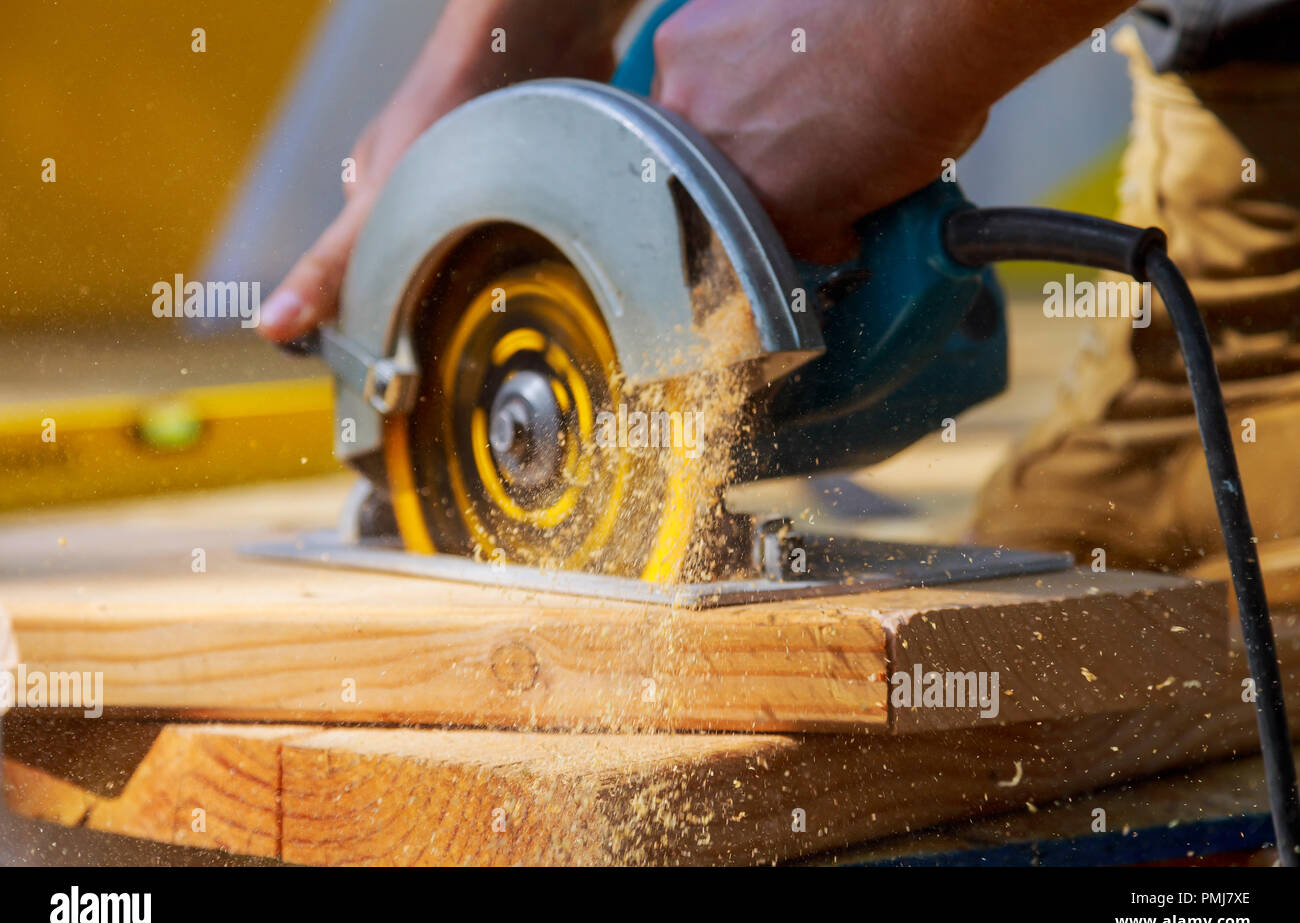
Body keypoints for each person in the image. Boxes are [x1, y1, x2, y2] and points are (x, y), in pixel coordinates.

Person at [256, 0, 1300, 579]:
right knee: (1049, 541)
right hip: (1240, 177)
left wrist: (887, 42)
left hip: (1260, 209)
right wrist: (505, 40)